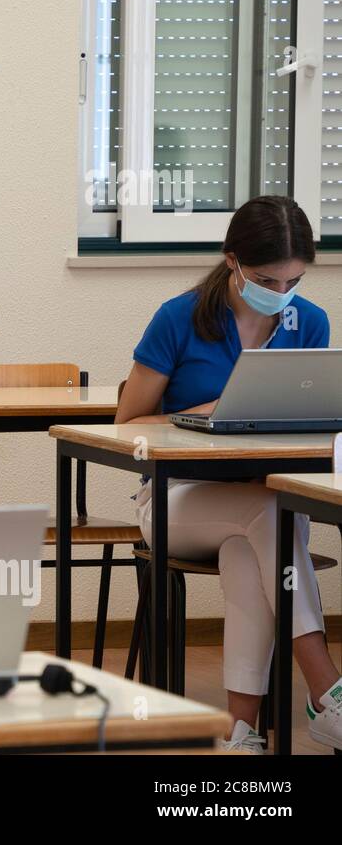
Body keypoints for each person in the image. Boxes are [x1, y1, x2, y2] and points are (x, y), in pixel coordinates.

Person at [115, 195, 342, 752]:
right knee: (270, 512)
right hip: (176, 499)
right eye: (269, 279)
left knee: (253, 546)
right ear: (232, 259)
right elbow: (126, 424)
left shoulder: (308, 322)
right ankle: (328, 689)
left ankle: (240, 733)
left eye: (294, 281)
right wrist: (204, 413)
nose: (282, 294)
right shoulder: (180, 318)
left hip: (260, 506)